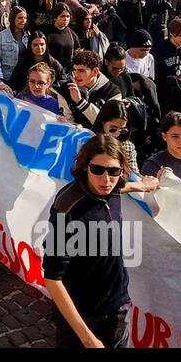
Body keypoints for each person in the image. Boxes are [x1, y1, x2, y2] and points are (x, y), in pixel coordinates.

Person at [42, 135, 133, 348]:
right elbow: (52, 278)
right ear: (85, 167)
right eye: (98, 170)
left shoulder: (114, 189)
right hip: (83, 317)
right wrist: (87, 338)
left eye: (113, 171)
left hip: (117, 308)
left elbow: (121, 187)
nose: (106, 180)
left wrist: (145, 185)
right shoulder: (67, 208)